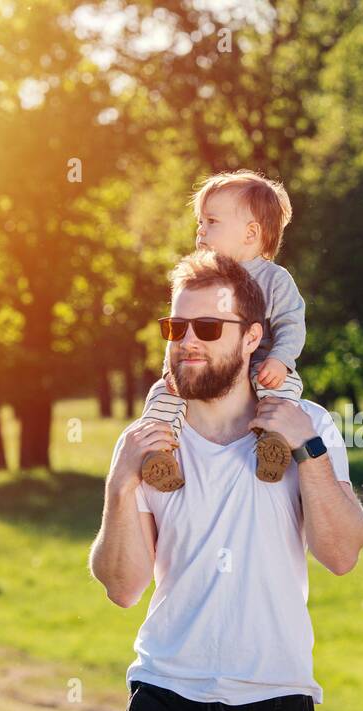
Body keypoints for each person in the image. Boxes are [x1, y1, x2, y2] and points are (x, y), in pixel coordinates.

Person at [90, 249, 363, 711]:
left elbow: (343, 553)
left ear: (251, 338)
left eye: (207, 328)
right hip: (167, 702)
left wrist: (310, 450)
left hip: (274, 704)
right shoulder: (148, 441)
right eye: (175, 327)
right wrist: (120, 484)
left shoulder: (307, 425)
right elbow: (123, 586)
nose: (186, 342)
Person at [136, 169, 308, 491]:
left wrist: (281, 359)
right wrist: (171, 369)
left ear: (250, 233)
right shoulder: (200, 279)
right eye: (200, 222)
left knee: (280, 395)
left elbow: (291, 322)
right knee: (162, 395)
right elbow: (182, 326)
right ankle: (159, 454)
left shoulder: (274, 279)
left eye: (212, 222)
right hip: (206, 368)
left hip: (261, 365)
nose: (200, 230)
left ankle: (273, 444)